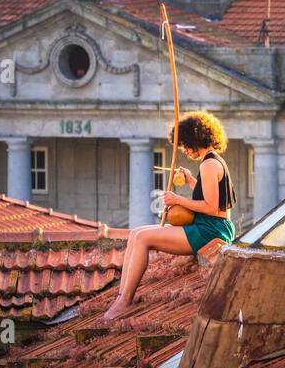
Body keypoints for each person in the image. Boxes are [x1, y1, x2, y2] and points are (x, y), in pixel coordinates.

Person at [100, 110, 236, 323]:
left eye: (183, 144)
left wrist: (177, 200)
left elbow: (211, 207)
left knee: (144, 238)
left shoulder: (209, 165)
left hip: (210, 231)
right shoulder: (212, 161)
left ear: (193, 138)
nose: (182, 149)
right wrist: (192, 181)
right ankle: (121, 296)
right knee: (136, 233)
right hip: (211, 226)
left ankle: (124, 301)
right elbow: (213, 199)